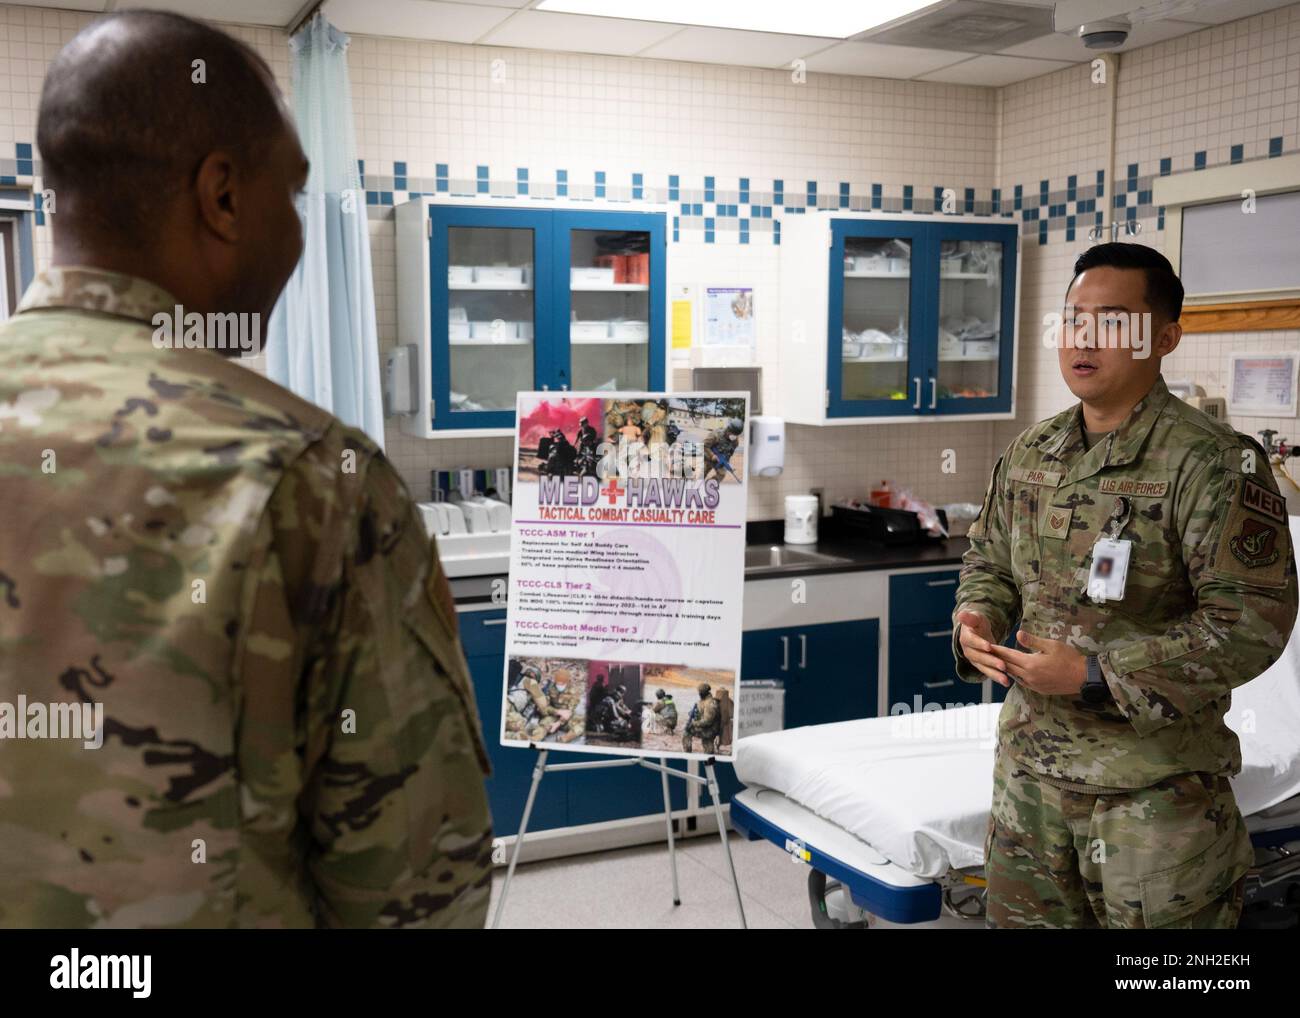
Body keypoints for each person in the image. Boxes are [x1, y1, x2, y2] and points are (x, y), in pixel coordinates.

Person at [0, 11, 491, 929]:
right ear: (222, 196)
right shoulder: (315, 482)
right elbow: (415, 892)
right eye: (292, 194)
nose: (298, 233)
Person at [954, 242, 1298, 929]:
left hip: (1152, 800)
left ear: (1165, 338)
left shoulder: (1212, 464)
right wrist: (976, 617)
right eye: (1073, 319)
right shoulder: (1031, 452)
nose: (1083, 338)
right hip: (1028, 787)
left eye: (1112, 321)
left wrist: (1093, 675)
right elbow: (989, 559)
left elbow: (1249, 624)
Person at [682, 683, 722, 754]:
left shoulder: (710, 704)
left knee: (687, 731)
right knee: (708, 749)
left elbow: (707, 721)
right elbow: (700, 712)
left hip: (710, 730)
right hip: (709, 728)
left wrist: (694, 723)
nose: (699, 694)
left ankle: (687, 753)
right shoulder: (704, 700)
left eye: (700, 692)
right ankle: (708, 750)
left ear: (703, 693)